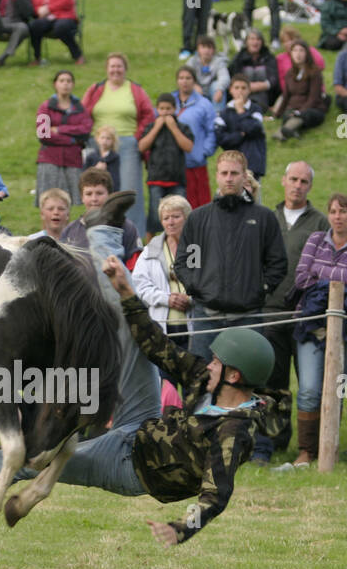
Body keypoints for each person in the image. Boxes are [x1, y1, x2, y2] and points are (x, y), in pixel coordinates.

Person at [0, 192, 283, 548]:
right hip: (144, 420)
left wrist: (181, 527)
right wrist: (126, 293)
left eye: (219, 362)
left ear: (235, 376)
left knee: (30, 459)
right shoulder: (208, 381)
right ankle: (103, 230)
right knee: (126, 325)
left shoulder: (234, 432)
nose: (211, 363)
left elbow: (216, 495)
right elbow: (159, 348)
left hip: (130, 466)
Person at [175, 150, 286, 361]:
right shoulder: (199, 219)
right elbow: (187, 262)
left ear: (245, 176)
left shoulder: (263, 218)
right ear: (216, 175)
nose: (229, 178)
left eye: (234, 173)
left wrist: (260, 289)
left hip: (248, 316)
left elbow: (277, 263)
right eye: (224, 173)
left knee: (247, 380)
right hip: (206, 315)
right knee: (201, 382)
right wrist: (197, 286)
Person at [290, 193, 347, 467]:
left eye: (344, 211)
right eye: (333, 211)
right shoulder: (315, 239)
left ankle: (330, 447)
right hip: (311, 325)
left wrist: (319, 271)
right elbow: (302, 277)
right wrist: (335, 272)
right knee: (309, 389)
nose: (338, 216)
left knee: (337, 387)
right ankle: (306, 451)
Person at [261, 160, 326, 459]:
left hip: (305, 316)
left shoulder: (319, 222)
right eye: (294, 179)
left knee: (309, 384)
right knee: (275, 383)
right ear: (283, 181)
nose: (298, 186)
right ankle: (275, 440)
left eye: (304, 181)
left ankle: (311, 445)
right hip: (271, 312)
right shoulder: (267, 217)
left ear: (310, 186)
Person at [81, 53, 154, 231]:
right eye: (112, 66)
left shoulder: (135, 90)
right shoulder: (97, 89)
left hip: (126, 142)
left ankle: (133, 232)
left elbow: (148, 114)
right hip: (98, 143)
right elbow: (83, 112)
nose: (115, 70)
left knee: (128, 188)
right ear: (107, 69)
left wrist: (137, 136)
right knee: (97, 186)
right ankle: (95, 226)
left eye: (119, 66)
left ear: (125, 69)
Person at [131, 193, 193, 346]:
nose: (170, 222)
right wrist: (166, 298)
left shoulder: (198, 248)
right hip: (161, 330)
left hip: (195, 328)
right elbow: (140, 286)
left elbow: (209, 283)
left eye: (176, 217)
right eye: (166, 218)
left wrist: (191, 300)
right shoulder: (150, 250)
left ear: (187, 218)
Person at [60, 167, 141, 265]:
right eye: (89, 194)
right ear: (82, 197)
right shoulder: (70, 231)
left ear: (110, 195)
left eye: (99, 193)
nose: (94, 199)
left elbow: (135, 267)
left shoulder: (126, 227)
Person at [35, 69, 92, 206]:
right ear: (55, 84)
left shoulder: (81, 108)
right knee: (48, 202)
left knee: (73, 202)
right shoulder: (45, 107)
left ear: (73, 84)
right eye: (62, 81)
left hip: (73, 159)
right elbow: (43, 134)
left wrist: (59, 129)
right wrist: (72, 140)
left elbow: (85, 130)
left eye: (69, 81)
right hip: (49, 159)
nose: (65, 84)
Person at [141, 92, 194, 236]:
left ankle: (180, 242)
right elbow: (142, 146)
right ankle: (150, 247)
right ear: (157, 109)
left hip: (177, 179)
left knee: (179, 214)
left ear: (175, 109)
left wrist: (173, 128)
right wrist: (156, 128)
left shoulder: (182, 127)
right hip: (156, 179)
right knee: (154, 215)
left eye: (168, 109)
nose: (165, 113)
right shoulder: (152, 126)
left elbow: (188, 146)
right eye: (162, 109)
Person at [172, 64, 216, 208]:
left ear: (194, 81)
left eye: (188, 78)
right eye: (181, 78)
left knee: (199, 203)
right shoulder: (169, 102)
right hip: (173, 163)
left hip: (196, 163)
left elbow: (212, 130)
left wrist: (204, 152)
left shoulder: (204, 104)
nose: (184, 81)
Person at [270, 39, 326, 142]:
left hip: (312, 109)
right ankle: (289, 131)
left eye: (301, 50)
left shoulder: (315, 72)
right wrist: (277, 114)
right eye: (295, 51)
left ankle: (284, 131)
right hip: (292, 108)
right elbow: (286, 96)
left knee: (304, 115)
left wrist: (299, 112)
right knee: (288, 115)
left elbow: (313, 98)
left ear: (307, 53)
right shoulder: (289, 74)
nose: (298, 54)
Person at [214, 76, 266, 178]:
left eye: (243, 88)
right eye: (236, 88)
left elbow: (254, 128)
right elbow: (221, 139)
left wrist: (241, 111)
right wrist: (240, 134)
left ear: (249, 90)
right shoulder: (224, 113)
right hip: (231, 166)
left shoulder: (256, 109)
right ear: (230, 90)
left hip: (253, 165)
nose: (240, 91)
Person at [29, 0, 81, 65]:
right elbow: (33, 9)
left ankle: (77, 55)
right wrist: (38, 10)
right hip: (46, 21)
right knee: (34, 26)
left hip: (65, 18)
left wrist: (48, 8)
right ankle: (37, 58)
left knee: (60, 27)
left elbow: (67, 2)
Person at [230, 28, 279, 110]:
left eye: (258, 39)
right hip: (242, 91)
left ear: (262, 42)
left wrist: (260, 86)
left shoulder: (269, 57)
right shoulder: (239, 57)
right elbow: (233, 76)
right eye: (252, 39)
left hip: (264, 92)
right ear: (246, 42)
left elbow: (273, 79)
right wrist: (245, 87)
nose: (255, 42)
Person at [193, 35, 230, 108]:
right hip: (198, 91)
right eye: (203, 47)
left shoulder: (219, 62)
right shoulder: (192, 62)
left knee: (216, 86)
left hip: (213, 92)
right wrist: (194, 85)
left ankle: (218, 115)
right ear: (198, 49)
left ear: (214, 50)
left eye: (209, 47)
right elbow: (186, 75)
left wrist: (220, 89)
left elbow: (225, 77)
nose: (206, 50)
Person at [82, 125, 120, 190]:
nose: (104, 141)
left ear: (113, 141)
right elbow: (84, 175)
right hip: (93, 188)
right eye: (102, 138)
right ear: (97, 139)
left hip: (107, 189)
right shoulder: (91, 156)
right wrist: (95, 169)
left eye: (108, 138)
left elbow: (115, 178)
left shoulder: (114, 157)